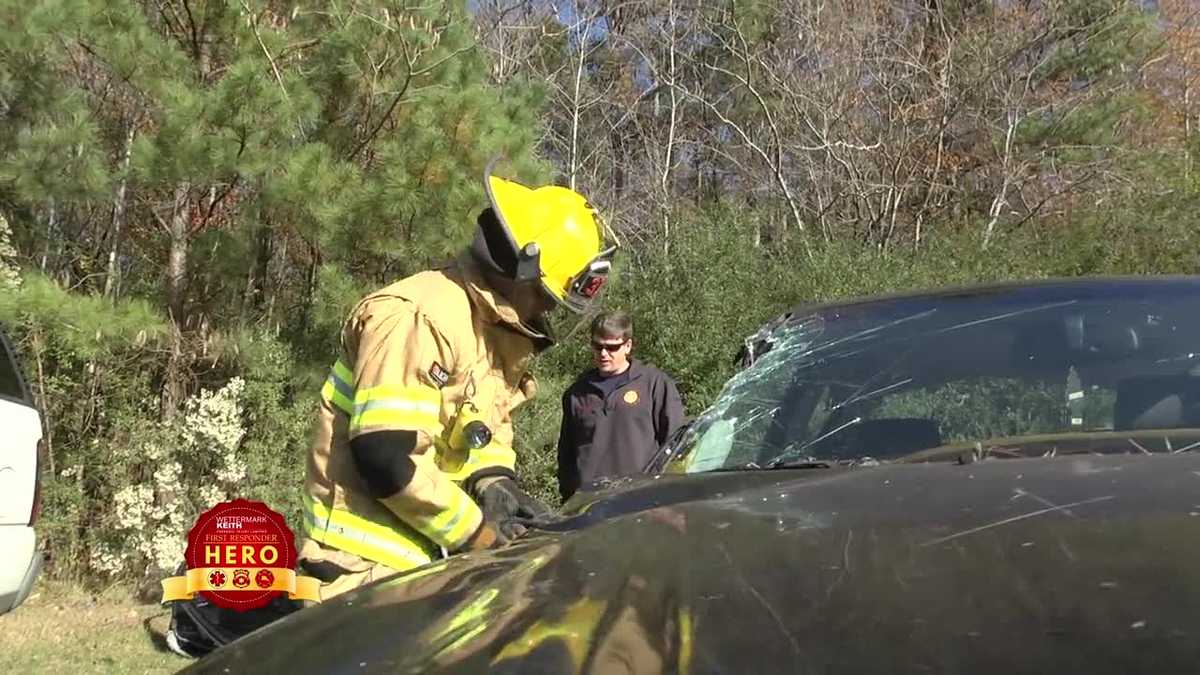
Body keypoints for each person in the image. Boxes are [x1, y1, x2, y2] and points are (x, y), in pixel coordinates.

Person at [298, 160, 619, 600]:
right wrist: (482, 537)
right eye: (546, 296)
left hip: (419, 563)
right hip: (358, 568)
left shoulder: (485, 334)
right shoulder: (420, 315)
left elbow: (480, 435)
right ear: (522, 269)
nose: (546, 311)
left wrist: (496, 485)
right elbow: (386, 457)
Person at [556, 311, 686, 503]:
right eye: (597, 346)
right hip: (589, 502)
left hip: (641, 499)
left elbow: (676, 443)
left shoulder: (654, 383)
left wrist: (670, 494)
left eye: (612, 347)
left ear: (627, 346)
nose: (603, 353)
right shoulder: (577, 393)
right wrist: (569, 498)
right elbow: (566, 454)